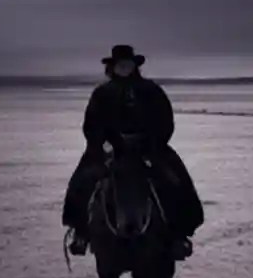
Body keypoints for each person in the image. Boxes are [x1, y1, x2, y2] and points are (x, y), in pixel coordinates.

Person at [62, 44, 204, 260]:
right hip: (109, 149)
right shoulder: (102, 93)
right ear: (113, 67)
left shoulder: (151, 91)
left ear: (134, 66)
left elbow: (165, 121)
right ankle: (81, 232)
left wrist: (153, 144)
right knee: (82, 180)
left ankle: (179, 234)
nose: (124, 68)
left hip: (149, 148)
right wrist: (102, 144)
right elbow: (91, 124)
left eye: (127, 64)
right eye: (120, 64)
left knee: (176, 179)